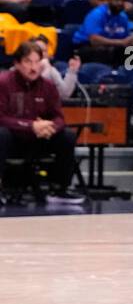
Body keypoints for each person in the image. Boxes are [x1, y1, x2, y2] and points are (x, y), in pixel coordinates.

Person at [0, 41, 84, 205]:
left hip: (40, 138)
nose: (33, 67)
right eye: (28, 62)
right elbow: (1, 117)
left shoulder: (48, 86)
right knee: (0, 135)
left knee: (67, 136)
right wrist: (30, 125)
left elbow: (59, 117)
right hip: (13, 139)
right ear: (17, 63)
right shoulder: (4, 83)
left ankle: (60, 189)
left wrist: (50, 127)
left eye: (37, 62)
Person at [73, 0, 133, 64]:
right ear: (109, 0)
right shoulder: (97, 14)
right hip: (86, 46)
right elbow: (94, 40)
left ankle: (129, 73)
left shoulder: (123, 16)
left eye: (123, 0)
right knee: (102, 51)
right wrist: (121, 42)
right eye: (117, 0)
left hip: (111, 46)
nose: (120, 3)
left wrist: (132, 37)